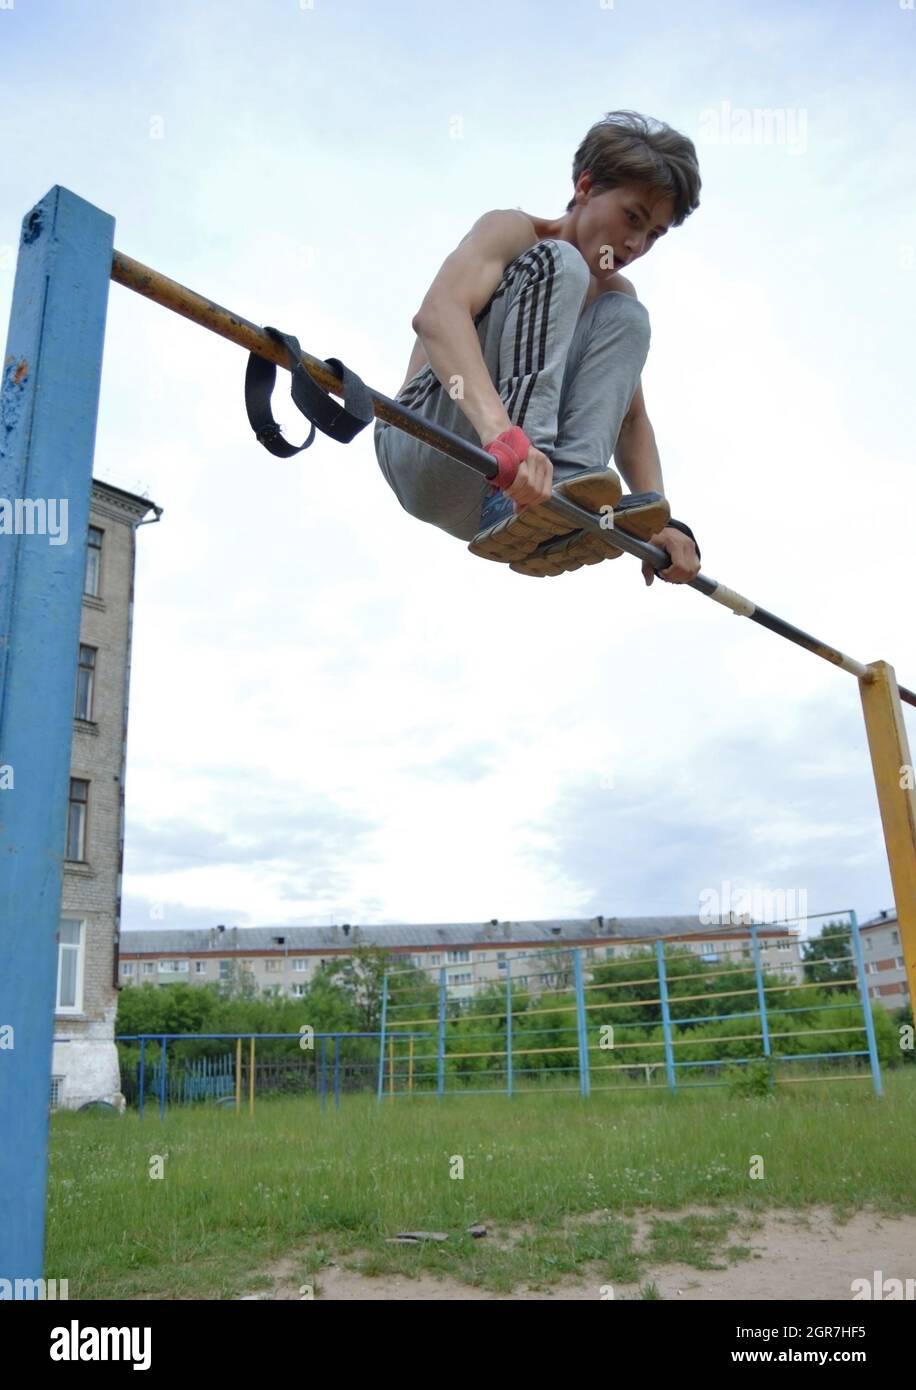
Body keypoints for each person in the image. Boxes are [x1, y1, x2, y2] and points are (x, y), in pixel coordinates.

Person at [373, 110, 703, 584]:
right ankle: (527, 472)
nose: (635, 244)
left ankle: (561, 496)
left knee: (628, 314)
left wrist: (661, 522)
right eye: (633, 217)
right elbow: (437, 315)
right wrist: (502, 435)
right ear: (586, 187)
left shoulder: (612, 297)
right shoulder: (513, 232)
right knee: (560, 263)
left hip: (509, 492)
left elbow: (630, 421)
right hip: (427, 445)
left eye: (654, 235)